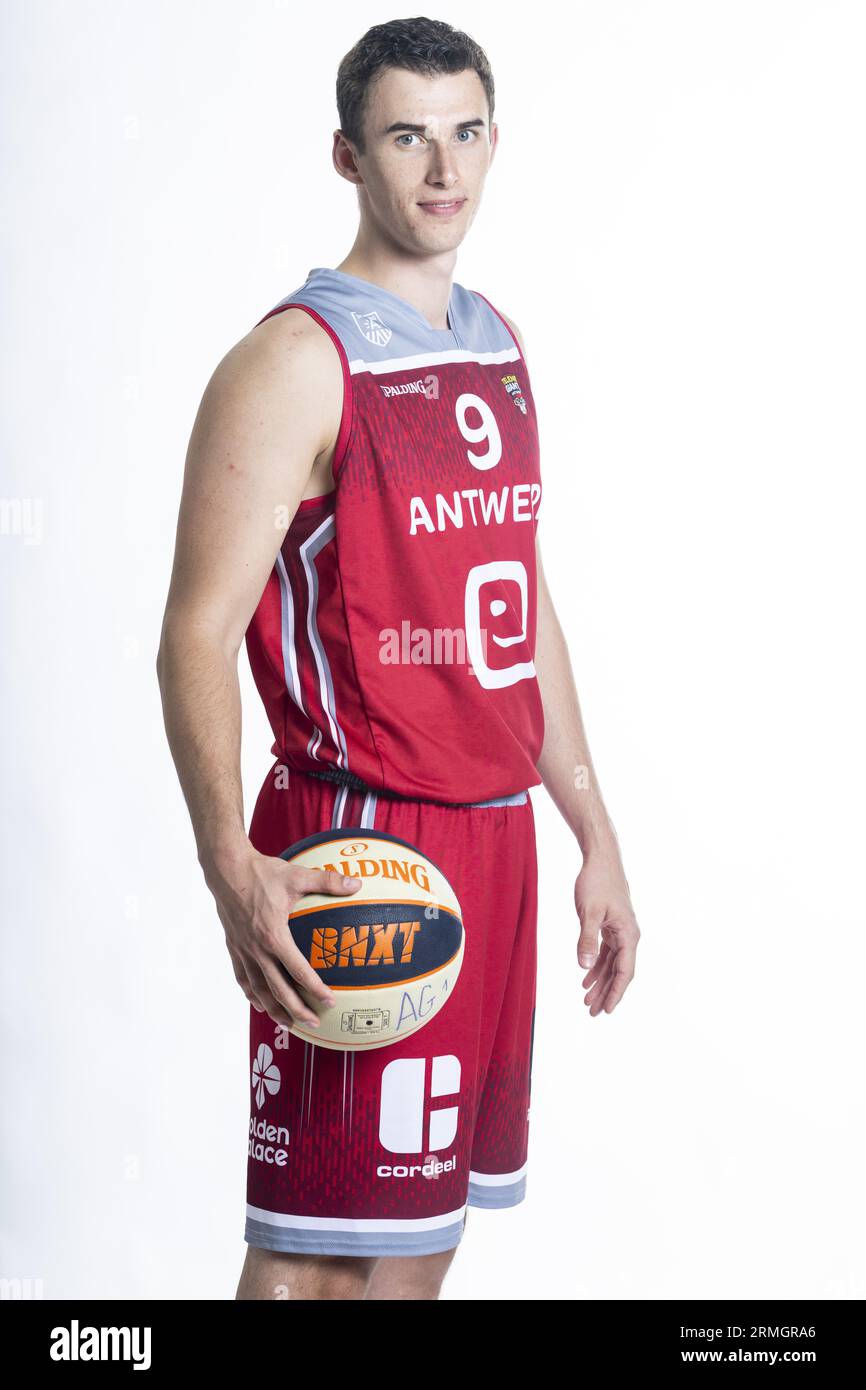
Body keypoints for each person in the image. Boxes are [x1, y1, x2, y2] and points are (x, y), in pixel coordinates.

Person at [157, 16, 640, 1302]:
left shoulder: (494, 340)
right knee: (317, 1261)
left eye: (466, 132)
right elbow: (195, 632)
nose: (443, 167)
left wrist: (587, 824)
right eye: (407, 136)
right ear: (346, 154)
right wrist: (227, 866)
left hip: (496, 846)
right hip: (363, 848)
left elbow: (513, 593)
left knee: (416, 1253)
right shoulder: (294, 363)